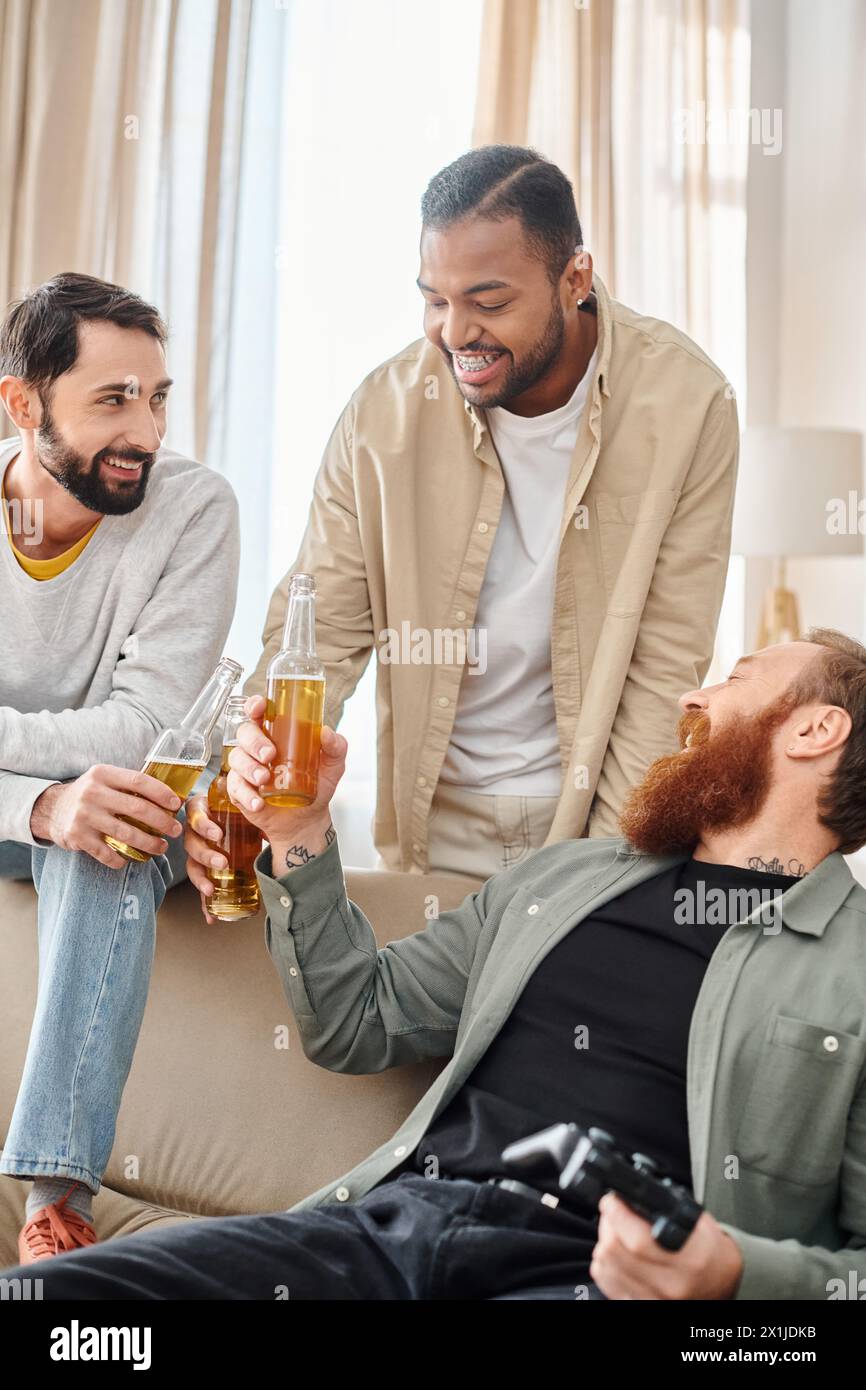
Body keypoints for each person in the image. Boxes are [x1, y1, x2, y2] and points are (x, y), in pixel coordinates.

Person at [12, 626, 866, 1299]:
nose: (694, 694)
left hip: (590, 1278)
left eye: (736, 677)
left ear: (815, 729)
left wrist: (736, 1279)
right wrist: (301, 835)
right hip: (387, 1233)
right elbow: (357, 1021)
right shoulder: (560, 879)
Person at [243, 144, 739, 882]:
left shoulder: (688, 402)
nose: (455, 333)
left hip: (592, 820)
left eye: (490, 302)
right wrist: (251, 777)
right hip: (432, 826)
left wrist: (599, 873)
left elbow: (664, 665)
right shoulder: (383, 417)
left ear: (576, 278)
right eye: (435, 300)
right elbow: (320, 635)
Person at [0, 273, 240, 1262]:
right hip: (21, 808)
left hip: (150, 804)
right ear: (21, 404)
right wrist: (39, 799)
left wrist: (69, 805)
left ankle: (55, 1192)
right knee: (85, 809)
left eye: (157, 396)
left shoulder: (191, 510)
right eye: (112, 399)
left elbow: (146, 731)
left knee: (115, 820)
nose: (143, 429)